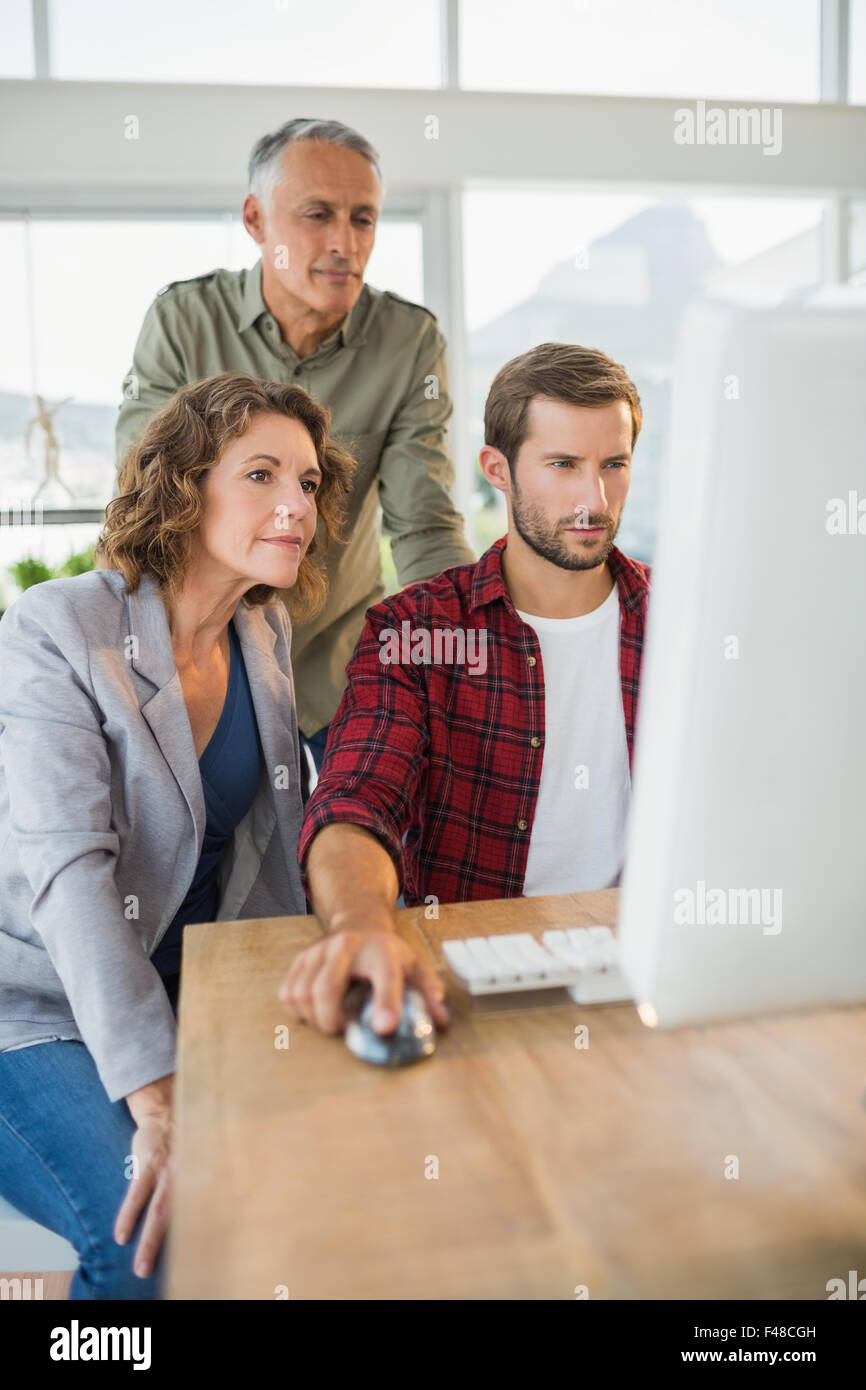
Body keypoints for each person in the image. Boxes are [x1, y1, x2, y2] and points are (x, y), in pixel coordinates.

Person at [0, 372, 355, 1299]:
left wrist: (291, 1025)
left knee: (335, 1182)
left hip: (182, 988)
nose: (295, 506)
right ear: (187, 483)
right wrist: (155, 1095)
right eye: (263, 476)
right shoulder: (59, 628)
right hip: (33, 1009)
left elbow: (269, 859)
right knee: (158, 1244)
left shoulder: (261, 630)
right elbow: (72, 877)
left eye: (309, 484)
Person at [278, 342, 651, 1040]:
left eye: (614, 465)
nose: (593, 501)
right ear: (498, 471)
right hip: (473, 983)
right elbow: (354, 802)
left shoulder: (683, 625)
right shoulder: (415, 629)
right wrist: (362, 925)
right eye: (564, 465)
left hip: (648, 971)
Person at [115, 117, 475, 792]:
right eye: (317, 215)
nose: (344, 243)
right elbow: (143, 501)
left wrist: (464, 644)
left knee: (363, 842)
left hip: (334, 658)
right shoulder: (184, 323)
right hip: (201, 653)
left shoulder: (410, 343)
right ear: (256, 220)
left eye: (363, 219)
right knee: (202, 859)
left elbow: (424, 524)